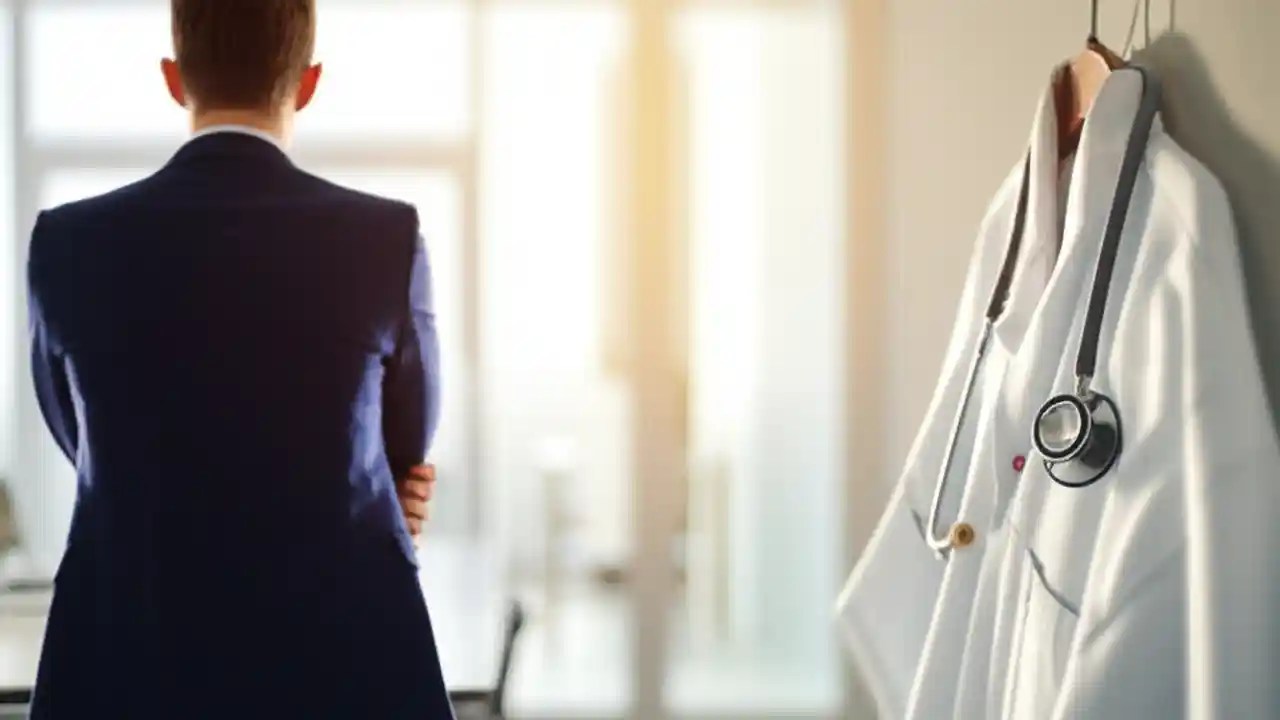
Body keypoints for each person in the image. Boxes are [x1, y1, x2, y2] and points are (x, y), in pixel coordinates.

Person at [24, 1, 454, 717]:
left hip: (130, 665)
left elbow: (81, 437)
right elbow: (408, 444)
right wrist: (372, 490)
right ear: (308, 84)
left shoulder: (68, 242)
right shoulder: (386, 237)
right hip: (340, 668)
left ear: (173, 78)